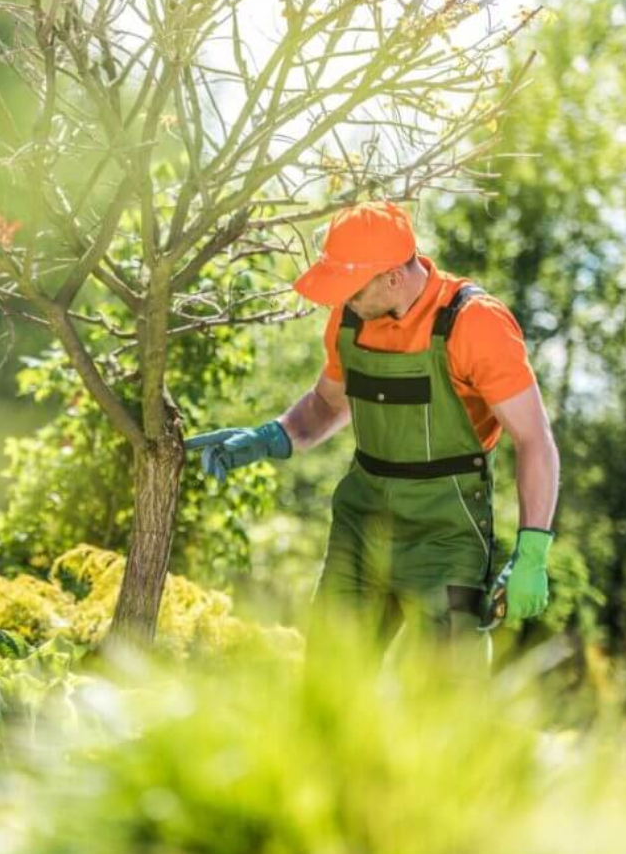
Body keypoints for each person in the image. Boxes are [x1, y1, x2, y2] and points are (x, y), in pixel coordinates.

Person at [185, 200, 560, 672]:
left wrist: (533, 549)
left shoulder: (473, 323)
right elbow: (327, 404)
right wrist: (268, 438)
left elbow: (534, 439)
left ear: (392, 278)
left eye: (350, 288)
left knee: (444, 696)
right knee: (330, 685)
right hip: (361, 525)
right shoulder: (349, 319)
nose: (342, 301)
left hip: (444, 534)